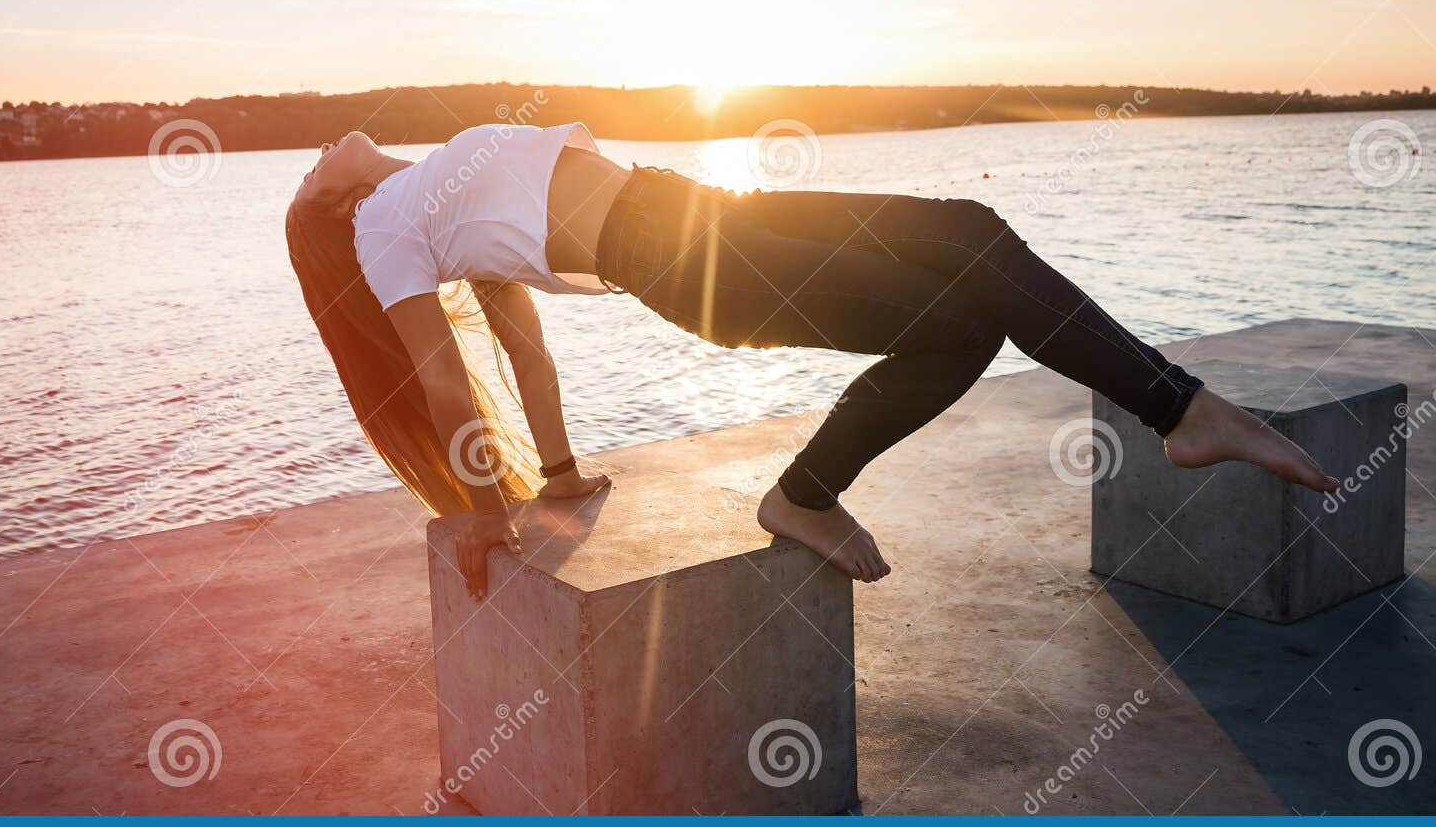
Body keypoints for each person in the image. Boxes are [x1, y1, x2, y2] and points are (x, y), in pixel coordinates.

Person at [286, 122, 1338, 601]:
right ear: (333, 201)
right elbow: (443, 376)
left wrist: (557, 476)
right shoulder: (382, 225)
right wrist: (479, 504)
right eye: (312, 168)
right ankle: (1180, 410)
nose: (326, 146)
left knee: (966, 286)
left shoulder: (437, 188)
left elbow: (525, 351)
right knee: (969, 260)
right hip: (684, 260)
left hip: (701, 212)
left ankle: (804, 492)